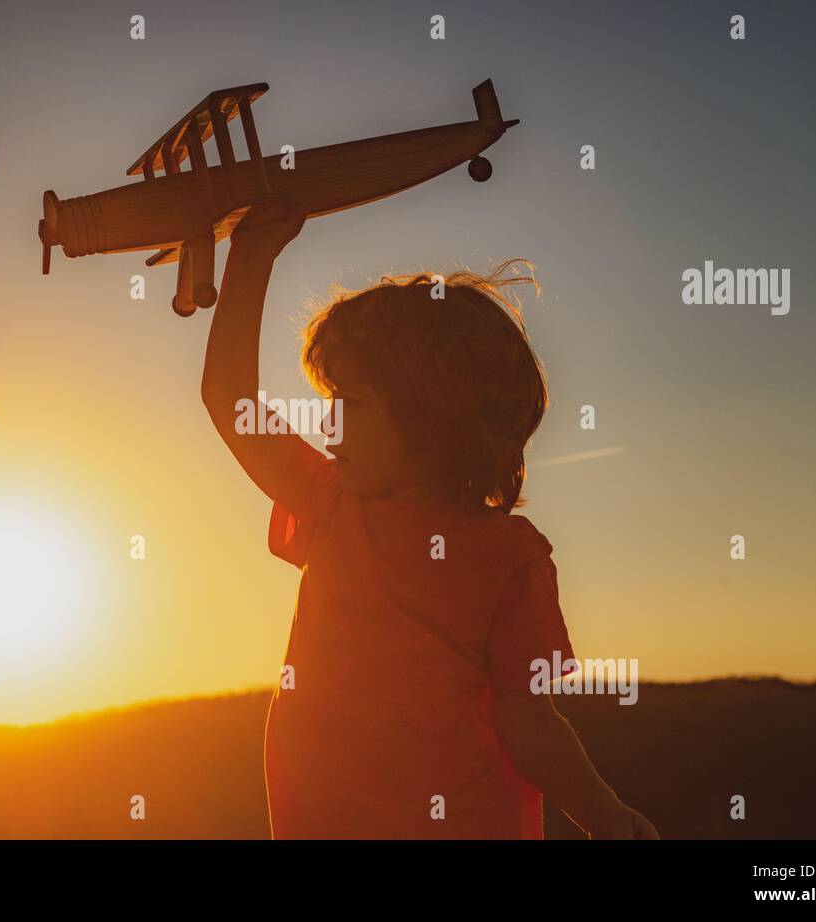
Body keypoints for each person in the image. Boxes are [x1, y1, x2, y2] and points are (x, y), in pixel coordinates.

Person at [200, 200, 659, 839]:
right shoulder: (334, 505)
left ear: (430, 418)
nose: (328, 426)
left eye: (351, 404)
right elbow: (230, 399)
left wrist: (604, 812)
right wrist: (251, 255)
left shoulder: (510, 558)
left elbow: (528, 721)